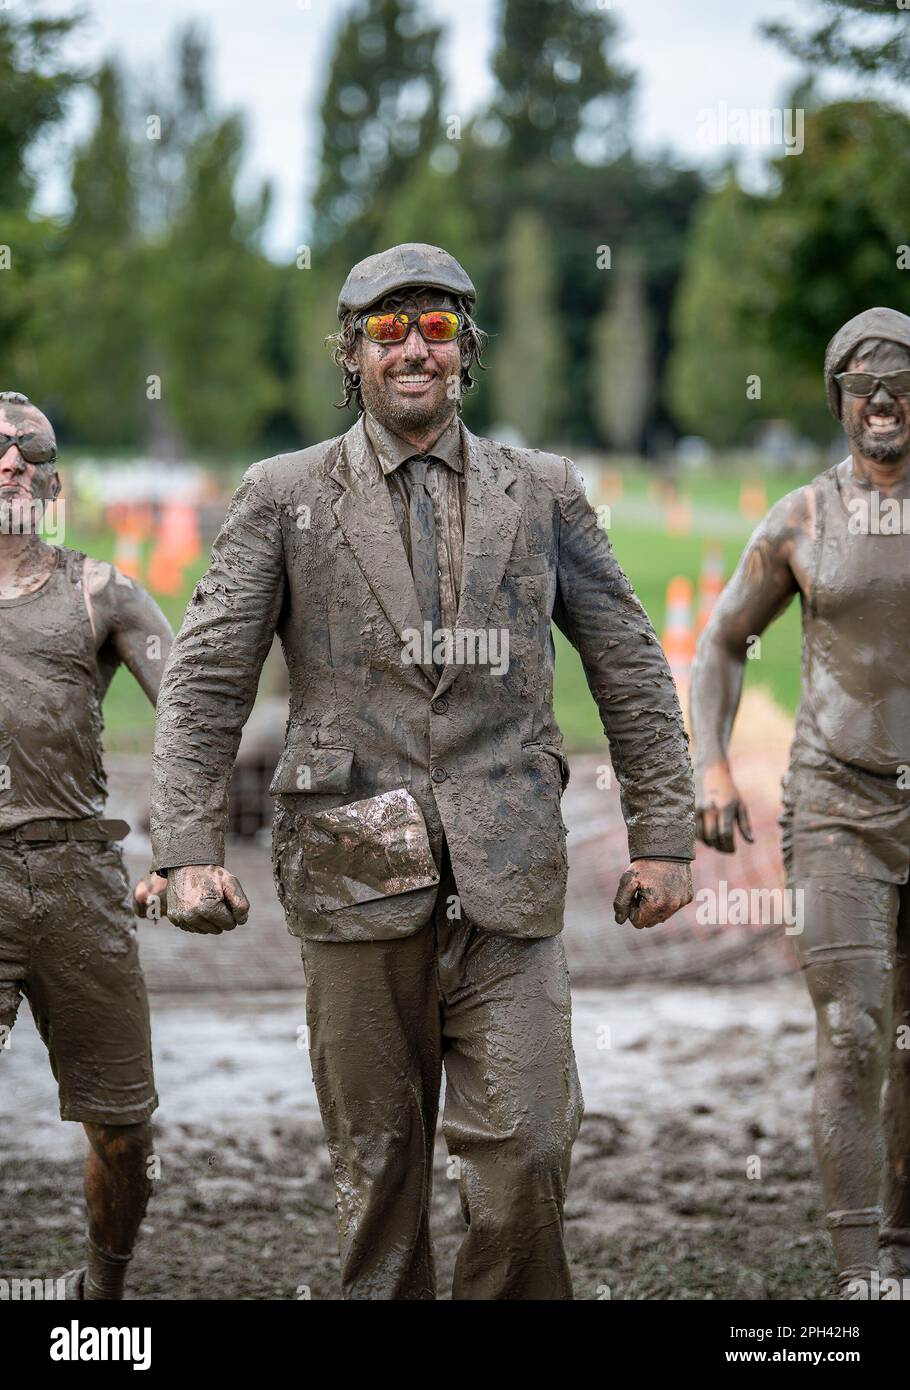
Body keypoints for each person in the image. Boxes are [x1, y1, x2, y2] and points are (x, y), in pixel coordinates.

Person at [150, 243, 695, 1300]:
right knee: (380, 1172)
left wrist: (663, 837)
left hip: (508, 877)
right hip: (353, 875)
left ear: (466, 352)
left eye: (436, 328)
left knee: (529, 1151)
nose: (413, 349)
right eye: (388, 330)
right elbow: (207, 681)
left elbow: (626, 658)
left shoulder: (542, 492)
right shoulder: (283, 495)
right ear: (349, 354)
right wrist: (186, 851)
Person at [691, 307, 910, 1298]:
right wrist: (712, 765)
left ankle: (901, 1240)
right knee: (857, 1029)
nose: (882, 396)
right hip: (834, 805)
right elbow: (722, 639)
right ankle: (859, 1267)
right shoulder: (801, 519)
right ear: (837, 401)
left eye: (899, 377)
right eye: (862, 380)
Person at [0, 390, 172, 1299]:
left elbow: (192, 718)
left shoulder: (103, 592)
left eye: (31, 445)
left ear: (54, 476)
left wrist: (184, 855)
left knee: (124, 1127)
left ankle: (99, 1295)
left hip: (78, 882)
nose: (12, 458)